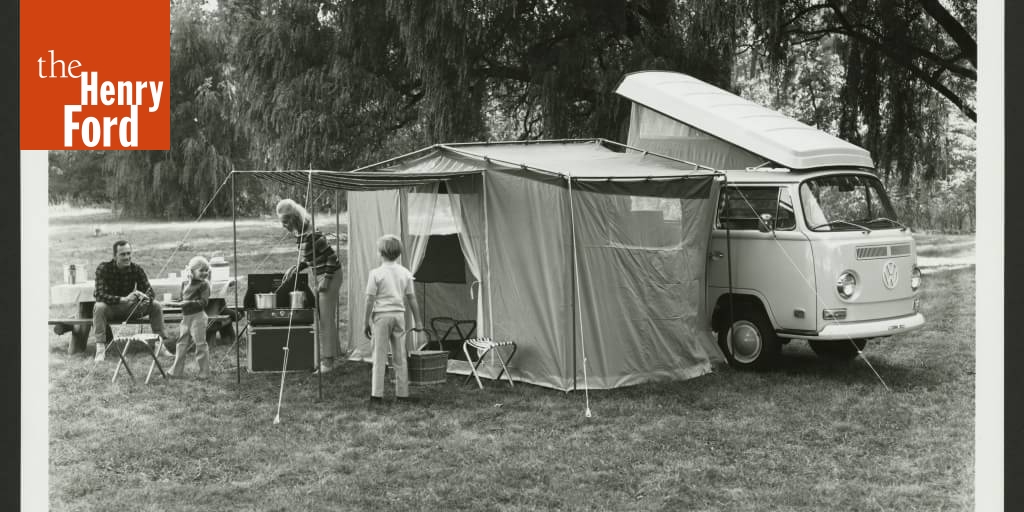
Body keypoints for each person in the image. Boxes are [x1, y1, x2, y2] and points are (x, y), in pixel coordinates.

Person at [275, 199, 343, 374]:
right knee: (325, 315)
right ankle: (335, 355)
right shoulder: (301, 234)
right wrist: (296, 267)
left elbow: (332, 258)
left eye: (285, 222)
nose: (284, 226)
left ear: (294, 218)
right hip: (319, 274)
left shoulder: (313, 235)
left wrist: (326, 280)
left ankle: (328, 362)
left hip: (330, 275)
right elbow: (311, 257)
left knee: (325, 319)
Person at [363, 234, 422, 402]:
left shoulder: (376, 273)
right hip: (399, 316)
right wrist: (418, 321)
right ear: (399, 253)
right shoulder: (405, 273)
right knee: (400, 356)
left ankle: (377, 394)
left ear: (380, 253)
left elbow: (369, 299)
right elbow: (412, 298)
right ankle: (402, 394)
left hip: (381, 317)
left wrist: (365, 321)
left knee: (379, 356)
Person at [92, 240, 168, 362]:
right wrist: (123, 299)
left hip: (130, 308)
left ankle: (160, 346)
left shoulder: (136, 269)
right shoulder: (103, 268)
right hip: (111, 308)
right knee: (99, 307)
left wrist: (144, 298)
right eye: (122, 254)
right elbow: (99, 295)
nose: (127, 257)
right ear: (114, 256)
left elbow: (150, 292)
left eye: (128, 253)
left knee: (156, 305)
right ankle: (100, 349)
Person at [167, 256, 212, 378]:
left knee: (200, 344)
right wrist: (175, 302)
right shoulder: (185, 283)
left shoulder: (204, 285)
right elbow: (183, 299)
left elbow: (204, 302)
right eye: (201, 270)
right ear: (192, 271)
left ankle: (204, 372)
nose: (204, 273)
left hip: (198, 317)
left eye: (206, 270)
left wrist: (188, 303)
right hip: (186, 317)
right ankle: (176, 371)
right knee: (181, 343)